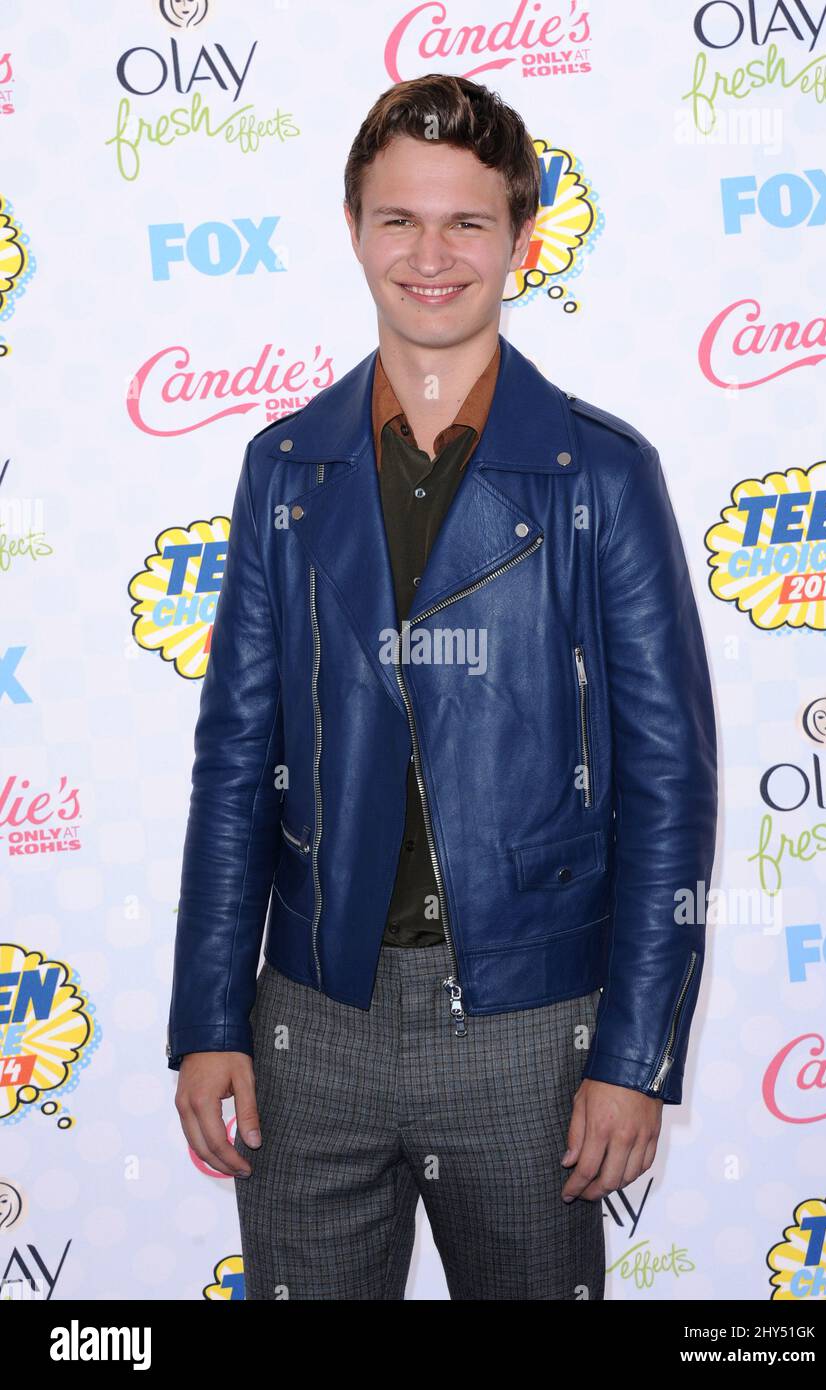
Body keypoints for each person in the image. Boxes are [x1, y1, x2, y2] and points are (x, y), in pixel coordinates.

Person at [166, 73, 718, 1301]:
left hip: (532, 1030)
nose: (431, 254)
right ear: (354, 231)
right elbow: (232, 763)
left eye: (466, 222)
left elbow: (671, 786)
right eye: (399, 220)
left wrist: (634, 1052)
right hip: (309, 1022)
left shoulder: (603, 477)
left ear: (520, 242)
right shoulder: (285, 469)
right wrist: (208, 1017)